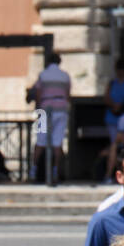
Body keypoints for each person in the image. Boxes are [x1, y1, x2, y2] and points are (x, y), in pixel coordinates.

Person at [28, 52, 71, 182]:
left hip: (44, 110)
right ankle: (55, 171)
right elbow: (68, 94)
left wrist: (39, 107)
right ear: (59, 62)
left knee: (40, 141)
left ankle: (33, 170)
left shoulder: (43, 75)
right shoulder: (65, 76)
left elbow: (38, 93)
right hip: (61, 109)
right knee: (57, 142)